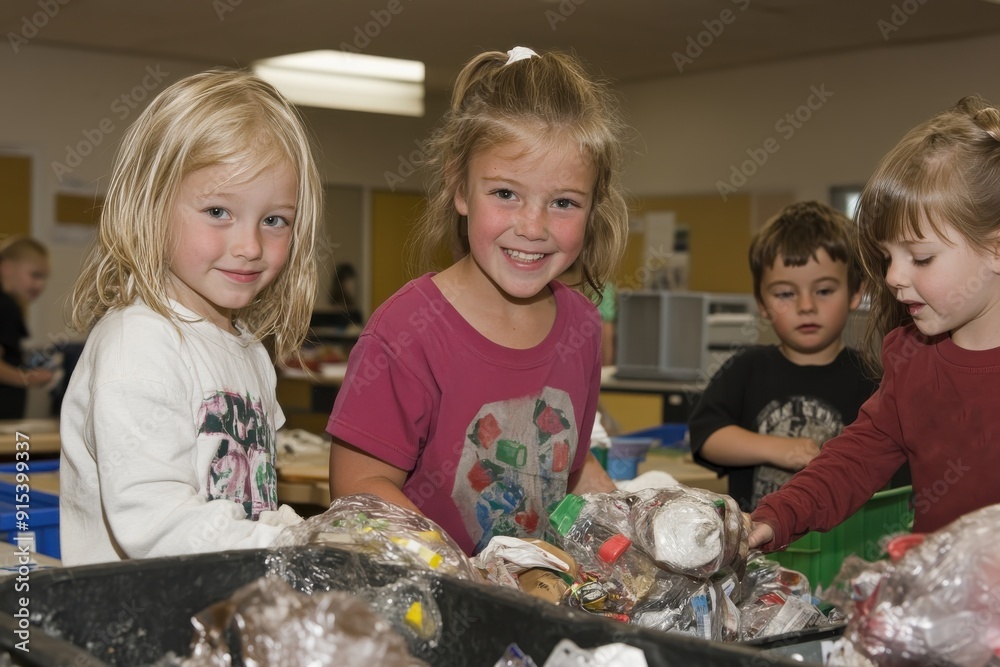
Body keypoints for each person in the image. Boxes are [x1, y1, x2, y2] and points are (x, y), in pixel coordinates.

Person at [327, 46, 630, 556]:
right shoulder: (407, 331)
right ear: (459, 187)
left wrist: (630, 536)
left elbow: (571, 474)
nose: (532, 227)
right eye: (506, 194)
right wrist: (463, 576)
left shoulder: (580, 325)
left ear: (593, 207)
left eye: (563, 203)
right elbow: (360, 489)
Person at [59, 69, 323, 565]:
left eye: (274, 220)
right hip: (137, 626)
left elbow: (245, 504)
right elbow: (155, 525)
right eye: (218, 211)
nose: (249, 247)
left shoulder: (245, 348)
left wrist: (306, 533)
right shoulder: (138, 344)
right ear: (152, 205)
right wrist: (289, 548)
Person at [749, 95, 1000, 551]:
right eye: (888, 257)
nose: (893, 277)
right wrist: (775, 516)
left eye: (920, 257)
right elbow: (854, 459)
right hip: (941, 605)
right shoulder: (913, 359)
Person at [688, 201, 878, 512]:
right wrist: (779, 448)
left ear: (856, 292)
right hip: (759, 547)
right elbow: (707, 437)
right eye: (785, 294)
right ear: (762, 302)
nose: (806, 306)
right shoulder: (746, 368)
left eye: (824, 290)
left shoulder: (872, 379)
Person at [0, 236, 52, 420]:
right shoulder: (6, 307)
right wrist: (29, 378)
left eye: (44, 278)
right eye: (35, 275)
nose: (41, 285)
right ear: (6, 268)